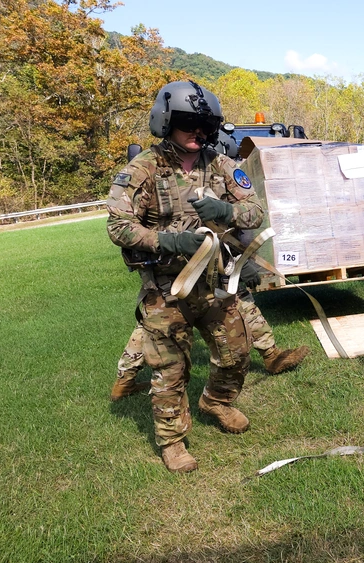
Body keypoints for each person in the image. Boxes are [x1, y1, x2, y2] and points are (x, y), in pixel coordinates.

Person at [107, 80, 263, 473]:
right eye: (190, 123)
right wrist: (170, 240)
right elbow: (118, 226)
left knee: (237, 353)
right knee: (169, 369)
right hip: (166, 289)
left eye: (206, 127)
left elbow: (256, 213)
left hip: (214, 284)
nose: (200, 134)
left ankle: (217, 401)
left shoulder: (222, 165)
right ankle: (172, 441)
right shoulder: (143, 168)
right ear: (166, 122)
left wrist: (227, 213)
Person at [111, 255, 311, 401]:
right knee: (156, 325)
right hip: (179, 270)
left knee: (152, 324)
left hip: (188, 266)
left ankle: (125, 380)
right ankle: (270, 355)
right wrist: (239, 259)